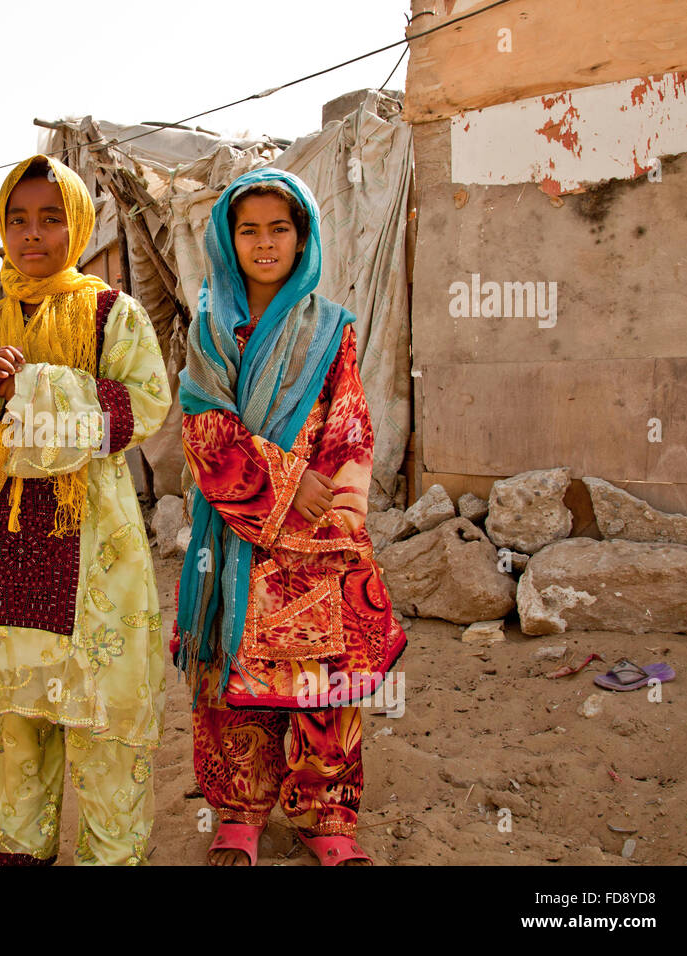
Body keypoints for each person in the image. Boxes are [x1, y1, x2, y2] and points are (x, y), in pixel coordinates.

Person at [0, 155, 171, 865]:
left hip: (93, 541)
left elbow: (146, 407)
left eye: (49, 218)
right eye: (17, 219)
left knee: (105, 715)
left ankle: (111, 854)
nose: (31, 234)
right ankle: (17, 849)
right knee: (10, 720)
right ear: (0, 229)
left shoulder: (114, 314)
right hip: (2, 543)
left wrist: (35, 389)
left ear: (79, 226)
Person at [175, 168, 407, 866]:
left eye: (280, 228)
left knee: (322, 684)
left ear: (302, 237)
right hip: (236, 539)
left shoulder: (332, 327)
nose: (265, 241)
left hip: (318, 534)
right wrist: (282, 483)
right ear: (227, 238)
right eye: (249, 229)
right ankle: (240, 814)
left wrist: (334, 504)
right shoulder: (210, 329)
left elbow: (353, 425)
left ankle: (327, 816)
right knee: (232, 681)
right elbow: (202, 427)